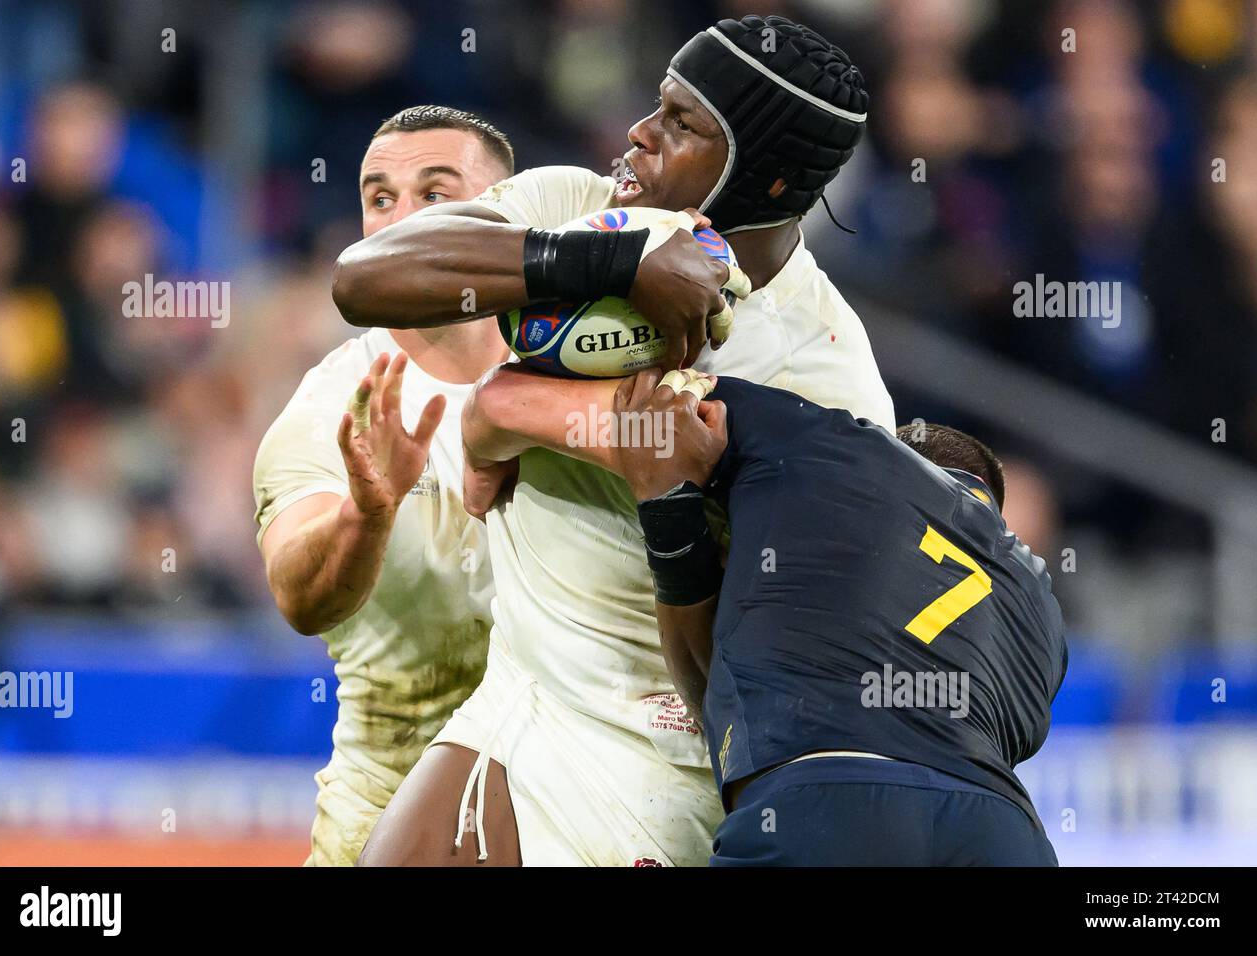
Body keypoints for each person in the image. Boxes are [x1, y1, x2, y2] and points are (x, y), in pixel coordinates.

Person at [351, 16, 895, 867]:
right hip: (516, 696)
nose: (640, 132)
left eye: (684, 125)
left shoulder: (822, 381)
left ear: (770, 180)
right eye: (658, 105)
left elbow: (771, 689)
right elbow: (367, 277)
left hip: (650, 762)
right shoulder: (586, 207)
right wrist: (602, 266)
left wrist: (533, 421)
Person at [604, 368, 1066, 865]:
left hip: (829, 805)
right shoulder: (1044, 609)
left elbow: (661, 415)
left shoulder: (842, 447)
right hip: (1005, 832)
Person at [252, 106, 513, 866]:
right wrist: (369, 515)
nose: (400, 220)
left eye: (435, 194)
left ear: (506, 216)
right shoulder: (328, 411)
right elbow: (301, 598)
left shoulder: (581, 375)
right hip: (387, 823)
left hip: (571, 811)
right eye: (379, 198)